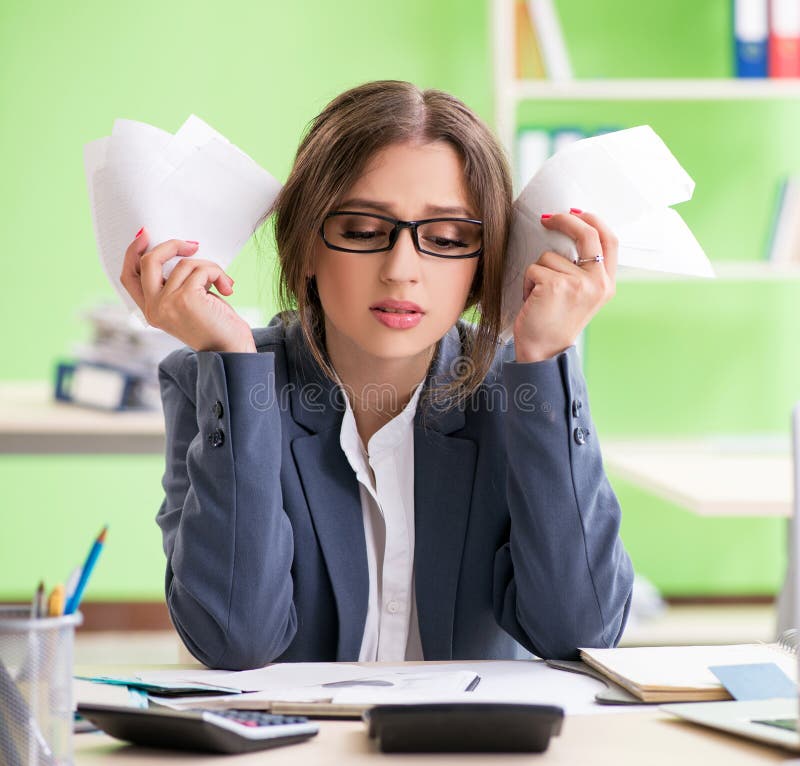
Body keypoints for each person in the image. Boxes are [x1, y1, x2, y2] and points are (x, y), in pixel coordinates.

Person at [120, 80, 633, 670]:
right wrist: (229, 359)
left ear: (484, 262)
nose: (400, 269)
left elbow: (579, 631)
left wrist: (545, 356)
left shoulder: (518, 386)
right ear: (305, 248)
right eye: (363, 231)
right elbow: (235, 638)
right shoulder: (216, 383)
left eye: (446, 238)